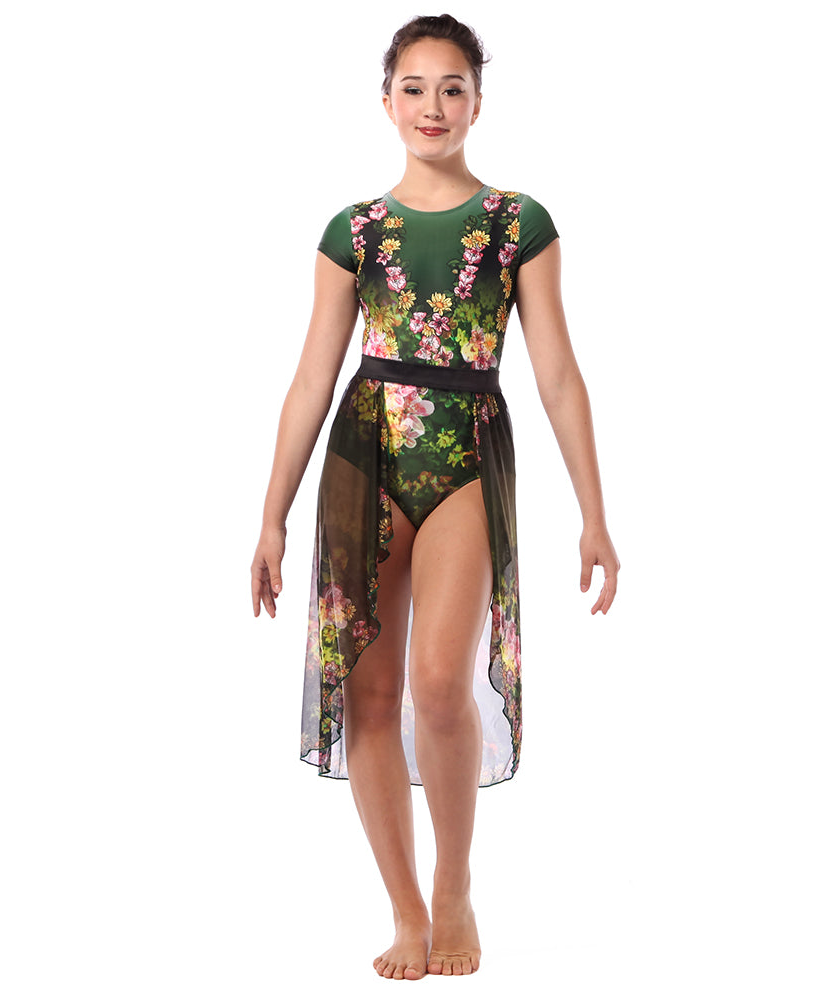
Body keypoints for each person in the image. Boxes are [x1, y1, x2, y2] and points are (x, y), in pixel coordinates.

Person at [251, 13, 620, 980]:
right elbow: (310, 377)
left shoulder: (517, 223)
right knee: (369, 693)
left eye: (451, 88)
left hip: (464, 447)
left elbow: (558, 374)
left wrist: (594, 513)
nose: (432, 105)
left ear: (477, 103)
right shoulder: (352, 231)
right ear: (385, 101)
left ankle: (455, 884)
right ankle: (406, 908)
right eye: (413, 87)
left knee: (438, 686)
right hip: (364, 451)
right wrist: (271, 515)